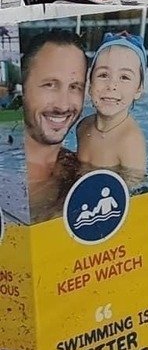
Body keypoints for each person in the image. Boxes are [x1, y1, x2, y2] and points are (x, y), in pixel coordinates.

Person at [19, 28, 87, 221]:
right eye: (49, 85)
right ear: (22, 89)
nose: (63, 106)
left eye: (74, 87)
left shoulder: (76, 168)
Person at [75, 32, 148, 180]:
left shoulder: (130, 141)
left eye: (124, 77)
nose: (112, 85)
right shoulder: (83, 126)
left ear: (138, 89)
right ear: (90, 83)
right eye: (103, 75)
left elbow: (137, 187)